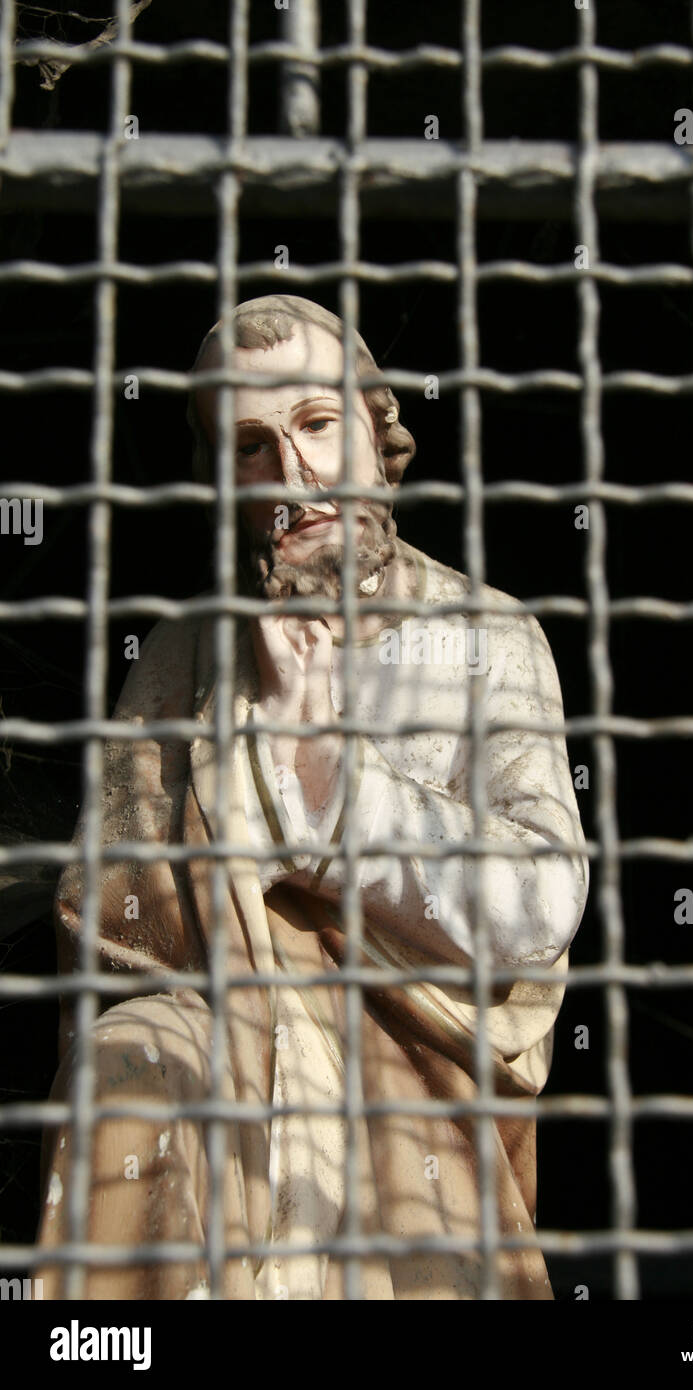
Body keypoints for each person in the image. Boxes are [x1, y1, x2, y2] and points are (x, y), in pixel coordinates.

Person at [35, 294, 589, 1299]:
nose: (292, 474)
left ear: (378, 438)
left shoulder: (486, 635)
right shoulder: (185, 651)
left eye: (317, 426)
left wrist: (328, 796)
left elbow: (540, 906)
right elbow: (96, 910)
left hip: (417, 1093)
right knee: (127, 1062)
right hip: (213, 1066)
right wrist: (235, 928)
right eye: (251, 445)